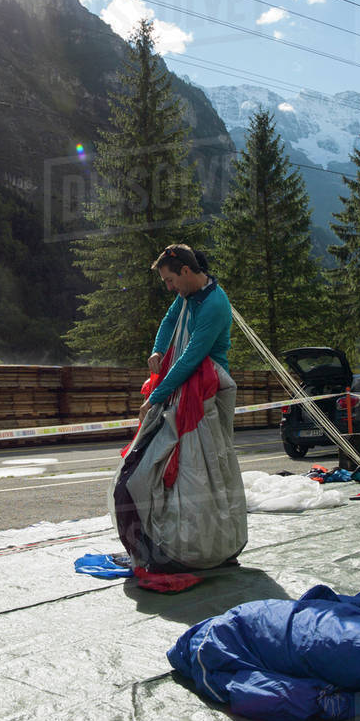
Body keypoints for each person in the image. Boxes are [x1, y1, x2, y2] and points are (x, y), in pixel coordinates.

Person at [111, 244, 247, 573]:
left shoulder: (214, 304)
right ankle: (184, 541)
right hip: (185, 389)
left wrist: (155, 398)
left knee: (207, 470)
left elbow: (191, 358)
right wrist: (158, 349)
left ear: (186, 272)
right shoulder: (188, 296)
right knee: (180, 470)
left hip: (208, 393)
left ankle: (209, 544)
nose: (170, 288)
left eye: (171, 281)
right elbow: (169, 321)